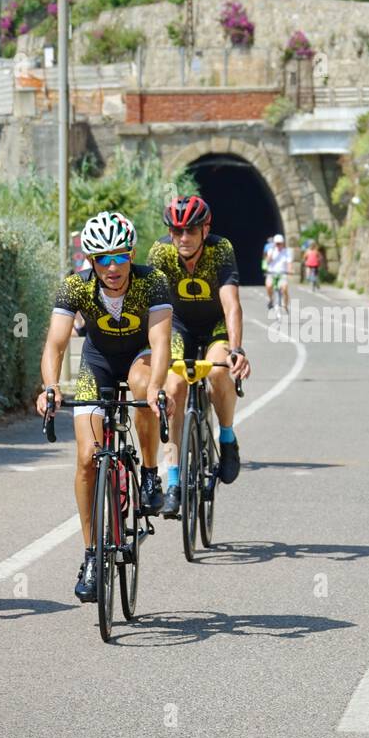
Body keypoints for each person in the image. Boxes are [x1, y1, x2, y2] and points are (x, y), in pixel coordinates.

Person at [35, 211, 172, 603]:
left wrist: (159, 387)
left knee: (145, 389)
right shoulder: (75, 288)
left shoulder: (152, 282)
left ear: (131, 254)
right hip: (96, 364)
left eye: (119, 256)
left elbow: (161, 342)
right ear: (90, 261)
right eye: (102, 258)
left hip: (139, 356)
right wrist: (50, 386)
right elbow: (55, 345)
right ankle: (92, 554)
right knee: (85, 459)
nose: (112, 267)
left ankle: (148, 473)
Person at [147, 195, 252, 518]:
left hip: (215, 325)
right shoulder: (161, 253)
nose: (183, 238)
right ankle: (175, 481)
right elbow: (152, 307)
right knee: (174, 387)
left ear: (205, 230)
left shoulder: (221, 250)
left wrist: (236, 349)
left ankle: (227, 437)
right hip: (178, 327)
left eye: (190, 230)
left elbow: (231, 303)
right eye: (176, 231)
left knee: (219, 372)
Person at [264, 233, 292, 317]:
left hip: (282, 273)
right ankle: (270, 299)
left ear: (283, 243)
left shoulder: (286, 252)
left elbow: (289, 263)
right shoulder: (271, 250)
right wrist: (272, 251)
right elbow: (268, 261)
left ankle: (285, 305)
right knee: (269, 286)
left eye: (280, 243)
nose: (279, 245)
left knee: (285, 289)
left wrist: (290, 270)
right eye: (277, 243)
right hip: (272, 272)